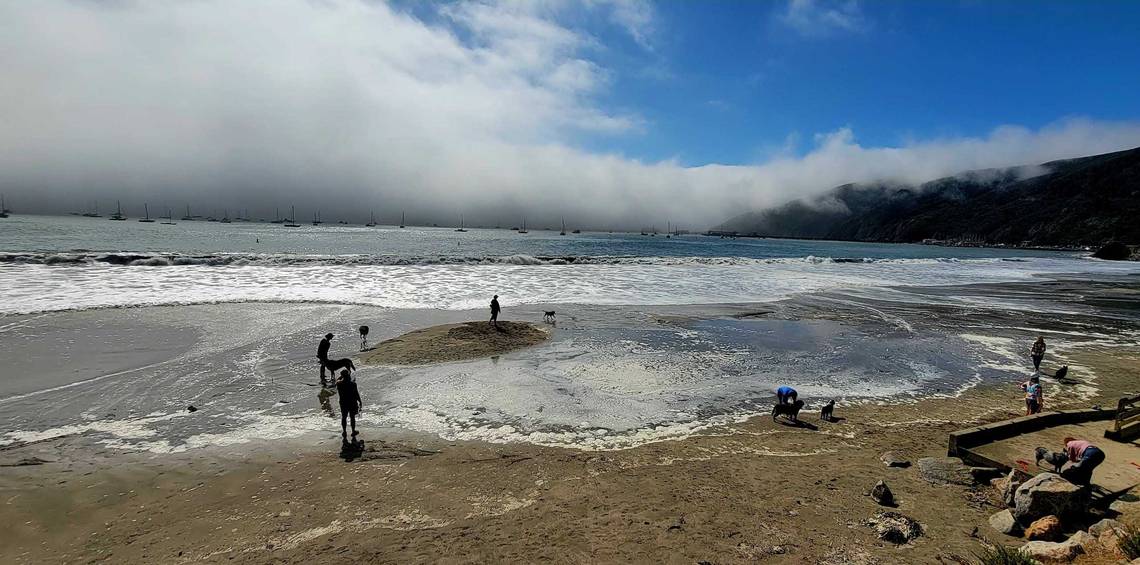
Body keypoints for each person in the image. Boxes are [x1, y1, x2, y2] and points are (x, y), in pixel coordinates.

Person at [336, 369, 362, 443]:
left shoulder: (339, 384)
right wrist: (360, 401)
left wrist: (341, 376)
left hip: (343, 402)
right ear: (348, 375)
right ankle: (353, 431)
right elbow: (356, 394)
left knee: (344, 417)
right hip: (352, 402)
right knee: (352, 417)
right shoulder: (353, 384)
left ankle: (344, 431)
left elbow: (337, 379)